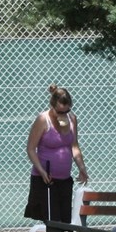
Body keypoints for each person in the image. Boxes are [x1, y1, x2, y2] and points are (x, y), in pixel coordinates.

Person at [24, 85, 89, 224]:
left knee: (64, 223)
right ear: (52, 106)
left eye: (67, 111)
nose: (63, 115)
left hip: (65, 180)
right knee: (53, 224)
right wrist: (41, 171)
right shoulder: (43, 119)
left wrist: (81, 167)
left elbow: (74, 145)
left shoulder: (72, 119)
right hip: (46, 180)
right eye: (59, 111)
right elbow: (30, 149)